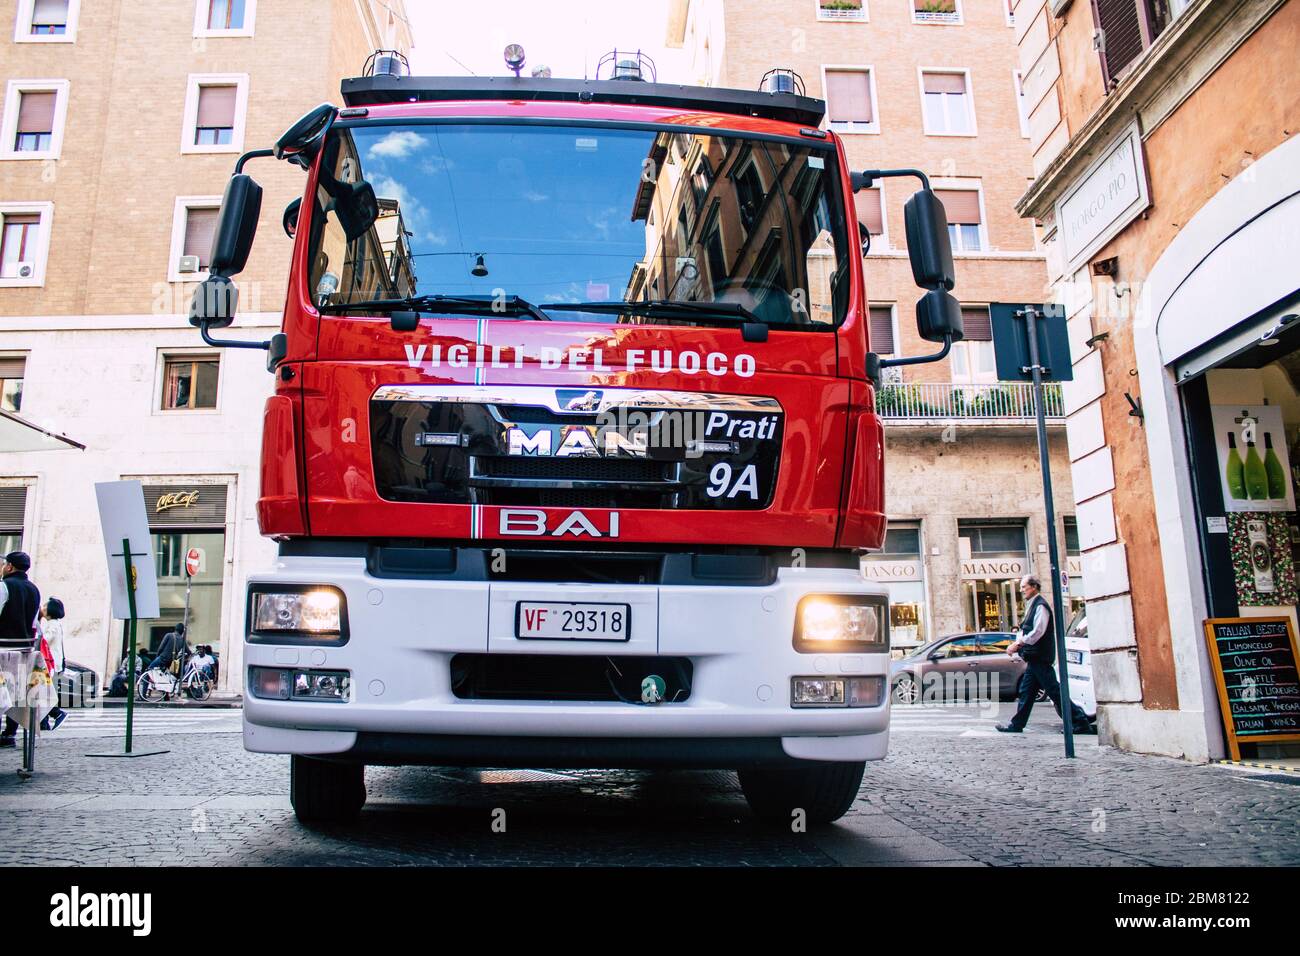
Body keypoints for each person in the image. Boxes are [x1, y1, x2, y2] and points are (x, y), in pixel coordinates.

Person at [997, 574, 1094, 735]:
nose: (1022, 591)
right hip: (1034, 658)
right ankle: (1017, 724)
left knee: (1055, 692)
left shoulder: (1041, 606)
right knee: (1026, 692)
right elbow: (1027, 629)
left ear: (1034, 587)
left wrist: (1018, 644)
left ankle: (1080, 722)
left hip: (1040, 657)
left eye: (1024, 587)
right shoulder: (1032, 604)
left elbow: (1038, 631)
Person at [0, 551, 42, 748]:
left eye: (4, 564)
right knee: (17, 693)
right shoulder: (34, 590)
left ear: (9, 566)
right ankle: (10, 733)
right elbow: (35, 622)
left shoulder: (4, 586)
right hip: (24, 650)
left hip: (3, 648)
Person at [37, 598, 67, 731]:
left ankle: (57, 713)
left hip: (50, 663)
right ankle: (44, 723)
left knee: (43, 692)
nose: (42, 608)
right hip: (53, 663)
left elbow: (45, 641)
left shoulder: (53, 625)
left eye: (45, 606)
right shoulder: (54, 624)